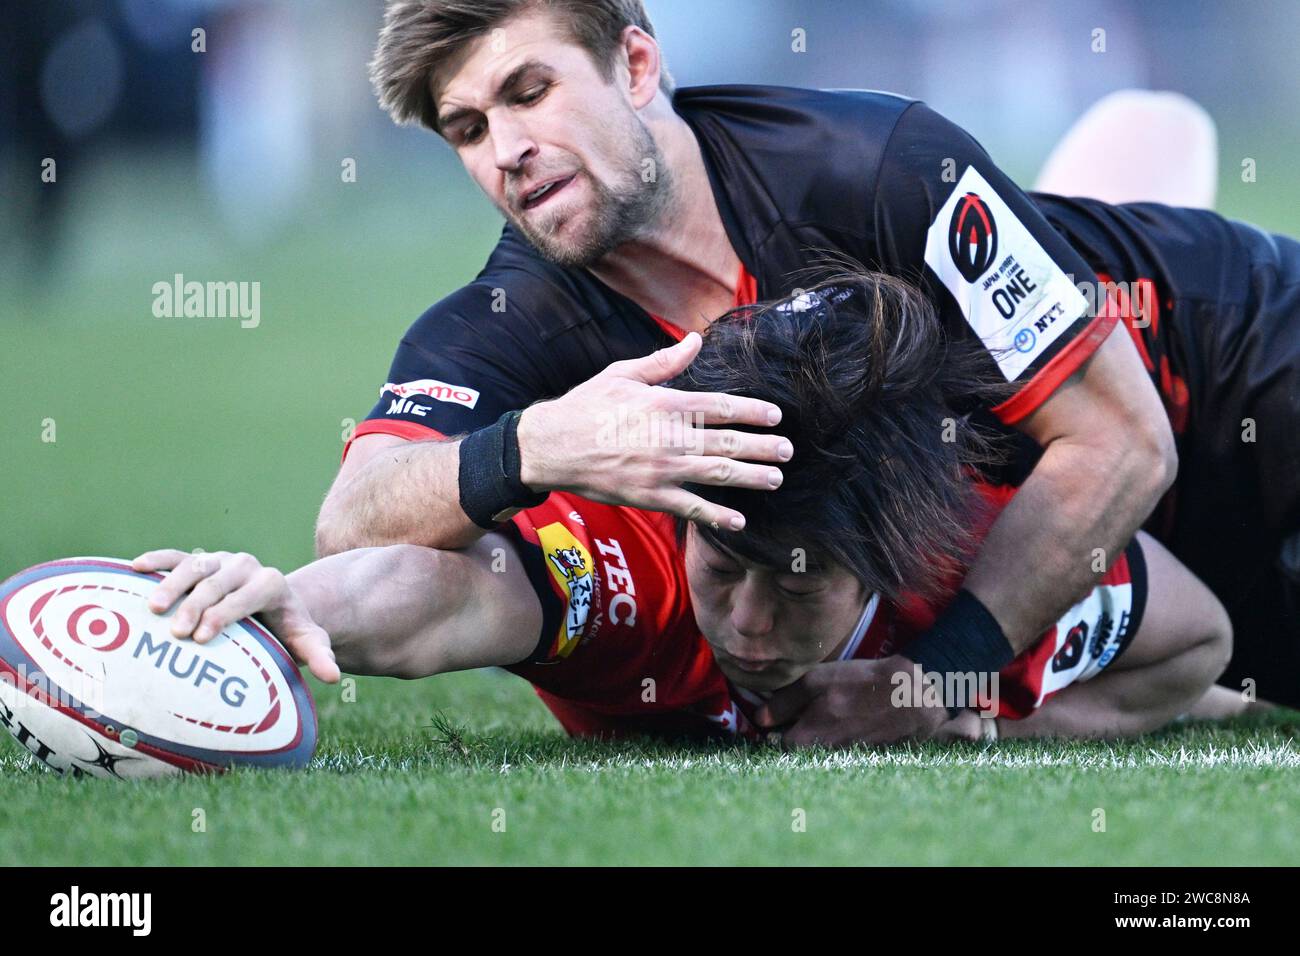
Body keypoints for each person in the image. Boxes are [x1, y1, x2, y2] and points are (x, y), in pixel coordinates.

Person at [318, 1, 1300, 736]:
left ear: (636, 63)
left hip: (1239, 370)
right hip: (1095, 536)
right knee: (1241, 677)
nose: (508, 150)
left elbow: (1121, 440)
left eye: (530, 91)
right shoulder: (513, 320)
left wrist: (932, 678)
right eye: (468, 129)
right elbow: (350, 520)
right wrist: (527, 447)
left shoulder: (874, 168)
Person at [138, 272, 1237, 745]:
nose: (748, 624)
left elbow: (1197, 640)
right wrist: (288, 609)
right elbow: (439, 593)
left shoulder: (972, 560)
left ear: (881, 561)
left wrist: (955, 701)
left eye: (799, 587)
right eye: (725, 564)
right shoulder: (634, 566)